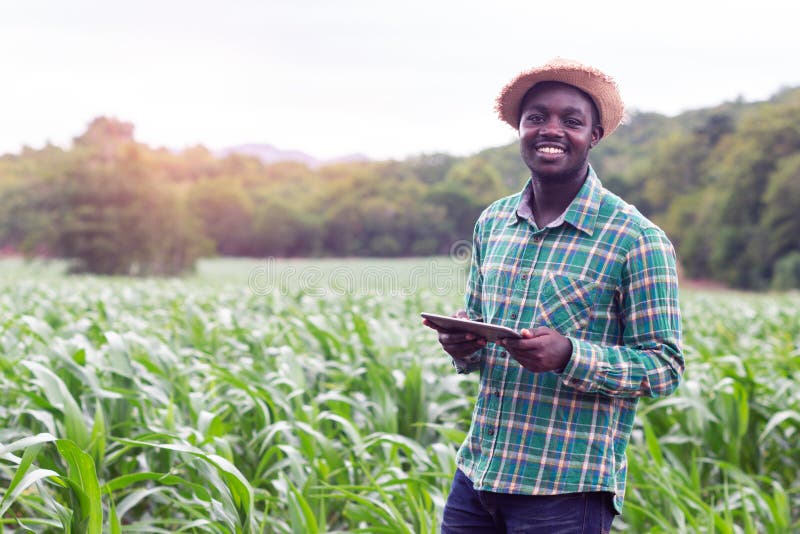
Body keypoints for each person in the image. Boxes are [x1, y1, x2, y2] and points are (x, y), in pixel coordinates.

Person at [423, 58, 684, 533]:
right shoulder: (494, 222)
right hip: (478, 476)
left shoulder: (636, 238)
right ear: (520, 129)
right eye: (537, 117)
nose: (551, 130)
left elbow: (664, 367)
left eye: (572, 121)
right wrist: (463, 346)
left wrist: (568, 355)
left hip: (565, 492)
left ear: (595, 136)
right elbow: (483, 347)